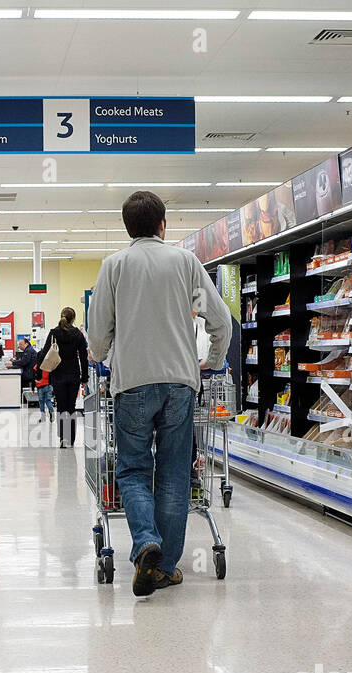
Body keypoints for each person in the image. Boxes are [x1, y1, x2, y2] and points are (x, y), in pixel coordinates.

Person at [88, 190, 232, 597]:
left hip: (131, 384)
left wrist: (102, 357)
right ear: (163, 225)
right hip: (180, 384)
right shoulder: (186, 263)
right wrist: (214, 361)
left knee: (133, 470)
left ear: (127, 227)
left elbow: (98, 334)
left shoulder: (113, 266)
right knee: (173, 474)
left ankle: (145, 541)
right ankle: (165, 567)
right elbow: (221, 321)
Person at [38, 306, 89, 448]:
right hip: (73, 375)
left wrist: (39, 373)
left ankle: (62, 439)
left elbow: (44, 353)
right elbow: (84, 357)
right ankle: (71, 439)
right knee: (71, 407)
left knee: (61, 407)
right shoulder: (78, 335)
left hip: (58, 374)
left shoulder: (54, 333)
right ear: (73, 319)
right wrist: (85, 378)